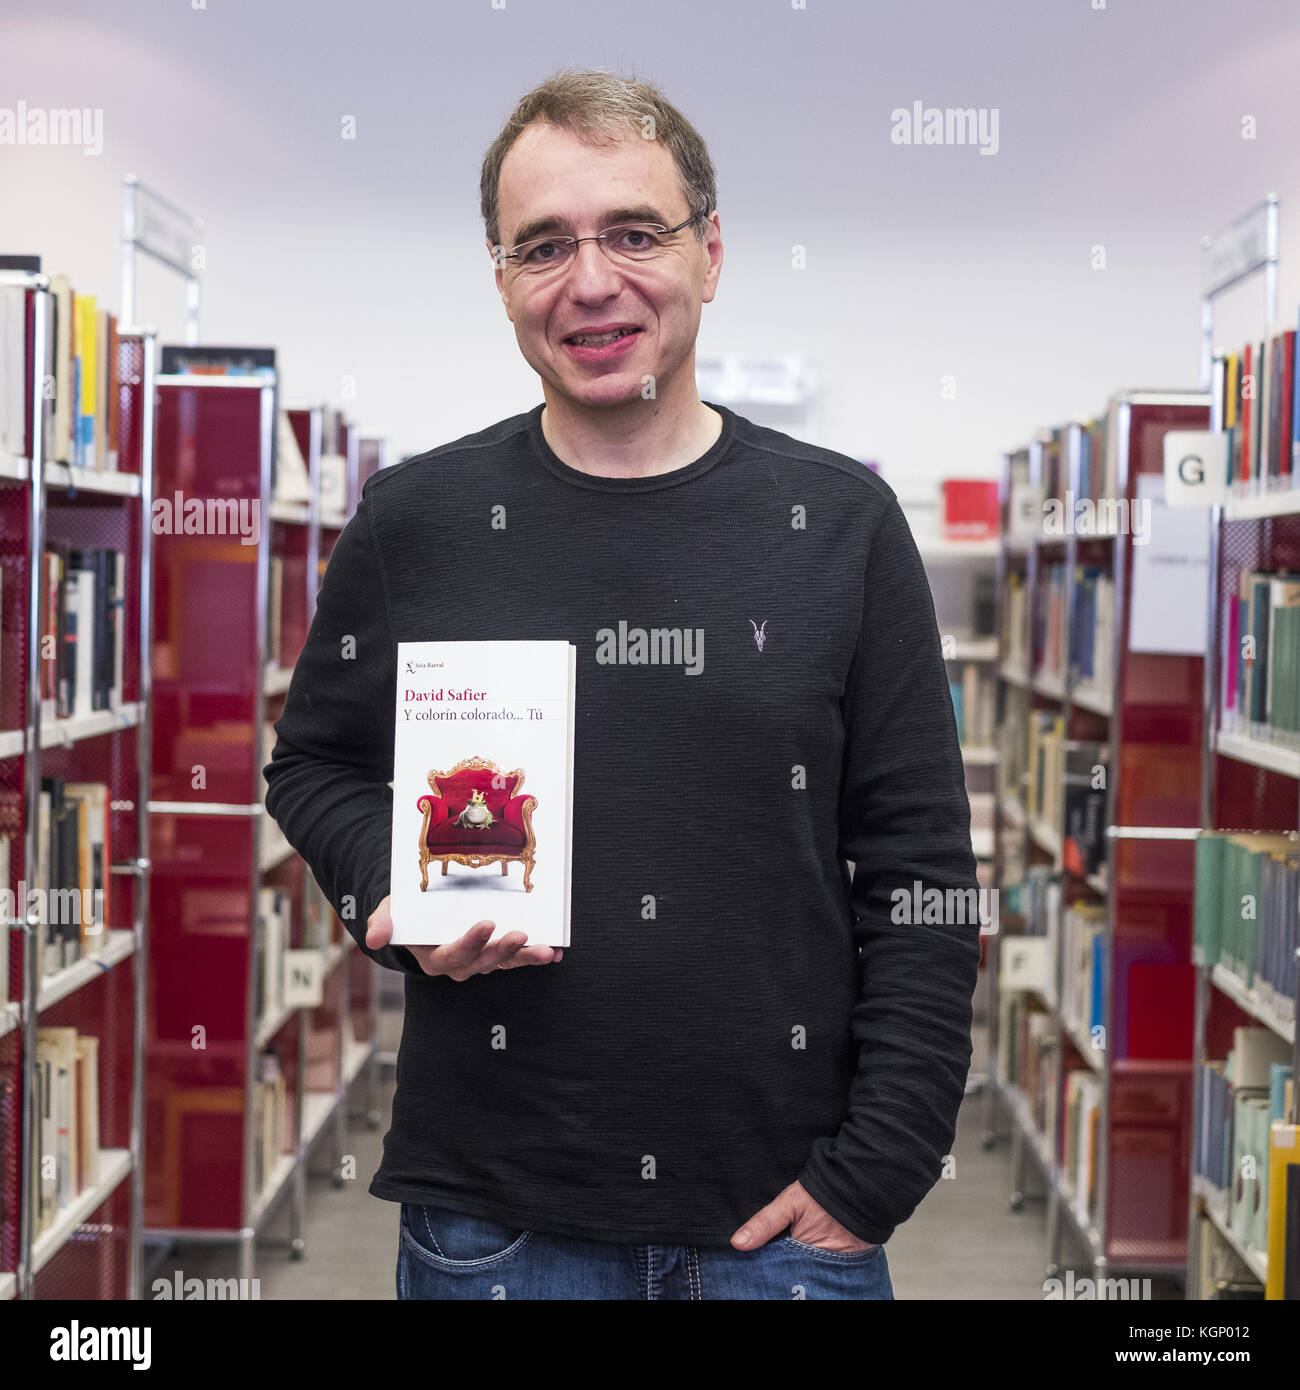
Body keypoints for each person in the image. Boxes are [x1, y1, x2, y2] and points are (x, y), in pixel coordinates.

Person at [263, 67, 981, 1301]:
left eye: (633, 233)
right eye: (542, 245)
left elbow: (919, 869)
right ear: (500, 283)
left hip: (782, 1231)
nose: (590, 281)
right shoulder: (415, 522)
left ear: (710, 252)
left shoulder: (839, 525)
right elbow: (313, 766)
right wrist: (396, 891)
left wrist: (881, 1169)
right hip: (492, 1227)